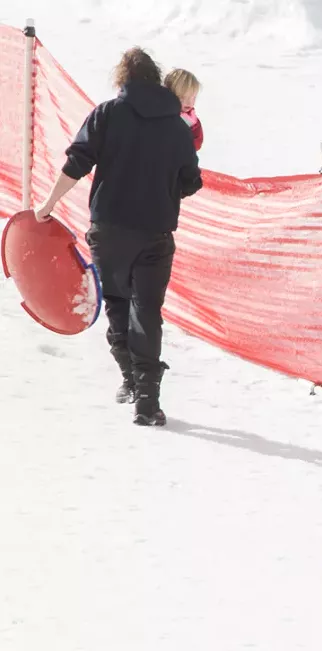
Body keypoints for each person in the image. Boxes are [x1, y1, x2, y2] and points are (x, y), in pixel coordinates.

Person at [35, 47, 202, 426]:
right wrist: (164, 187)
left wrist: (47, 204)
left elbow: (77, 162)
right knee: (147, 311)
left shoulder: (108, 113)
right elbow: (191, 182)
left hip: (109, 228)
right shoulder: (177, 127)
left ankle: (128, 377)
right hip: (156, 232)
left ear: (124, 78)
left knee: (116, 302)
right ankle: (148, 400)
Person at [164, 69, 204, 152]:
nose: (189, 102)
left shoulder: (192, 120)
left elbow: (197, 143)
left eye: (193, 98)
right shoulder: (163, 114)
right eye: (183, 98)